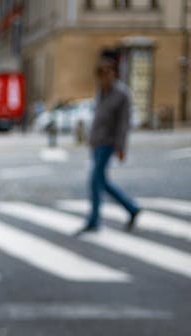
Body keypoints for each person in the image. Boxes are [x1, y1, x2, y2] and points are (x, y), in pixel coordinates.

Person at [77, 51, 140, 234]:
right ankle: (131, 208)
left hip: (108, 143)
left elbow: (123, 124)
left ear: (113, 73)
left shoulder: (122, 94)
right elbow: (97, 117)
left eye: (107, 72)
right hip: (97, 142)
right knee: (102, 182)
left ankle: (94, 220)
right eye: (101, 73)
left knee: (95, 180)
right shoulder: (101, 91)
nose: (104, 77)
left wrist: (121, 148)